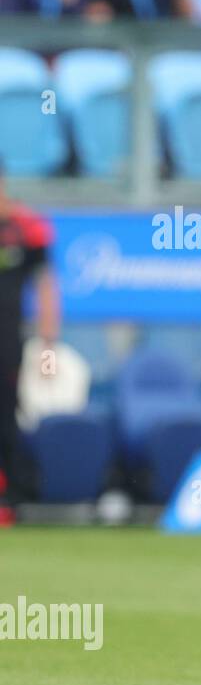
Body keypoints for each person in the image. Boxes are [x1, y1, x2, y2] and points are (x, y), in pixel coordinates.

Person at [0, 159, 60, 524]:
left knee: (7, 415)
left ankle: (12, 497)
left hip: (8, 342)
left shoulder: (27, 227)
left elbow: (46, 285)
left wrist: (47, 342)